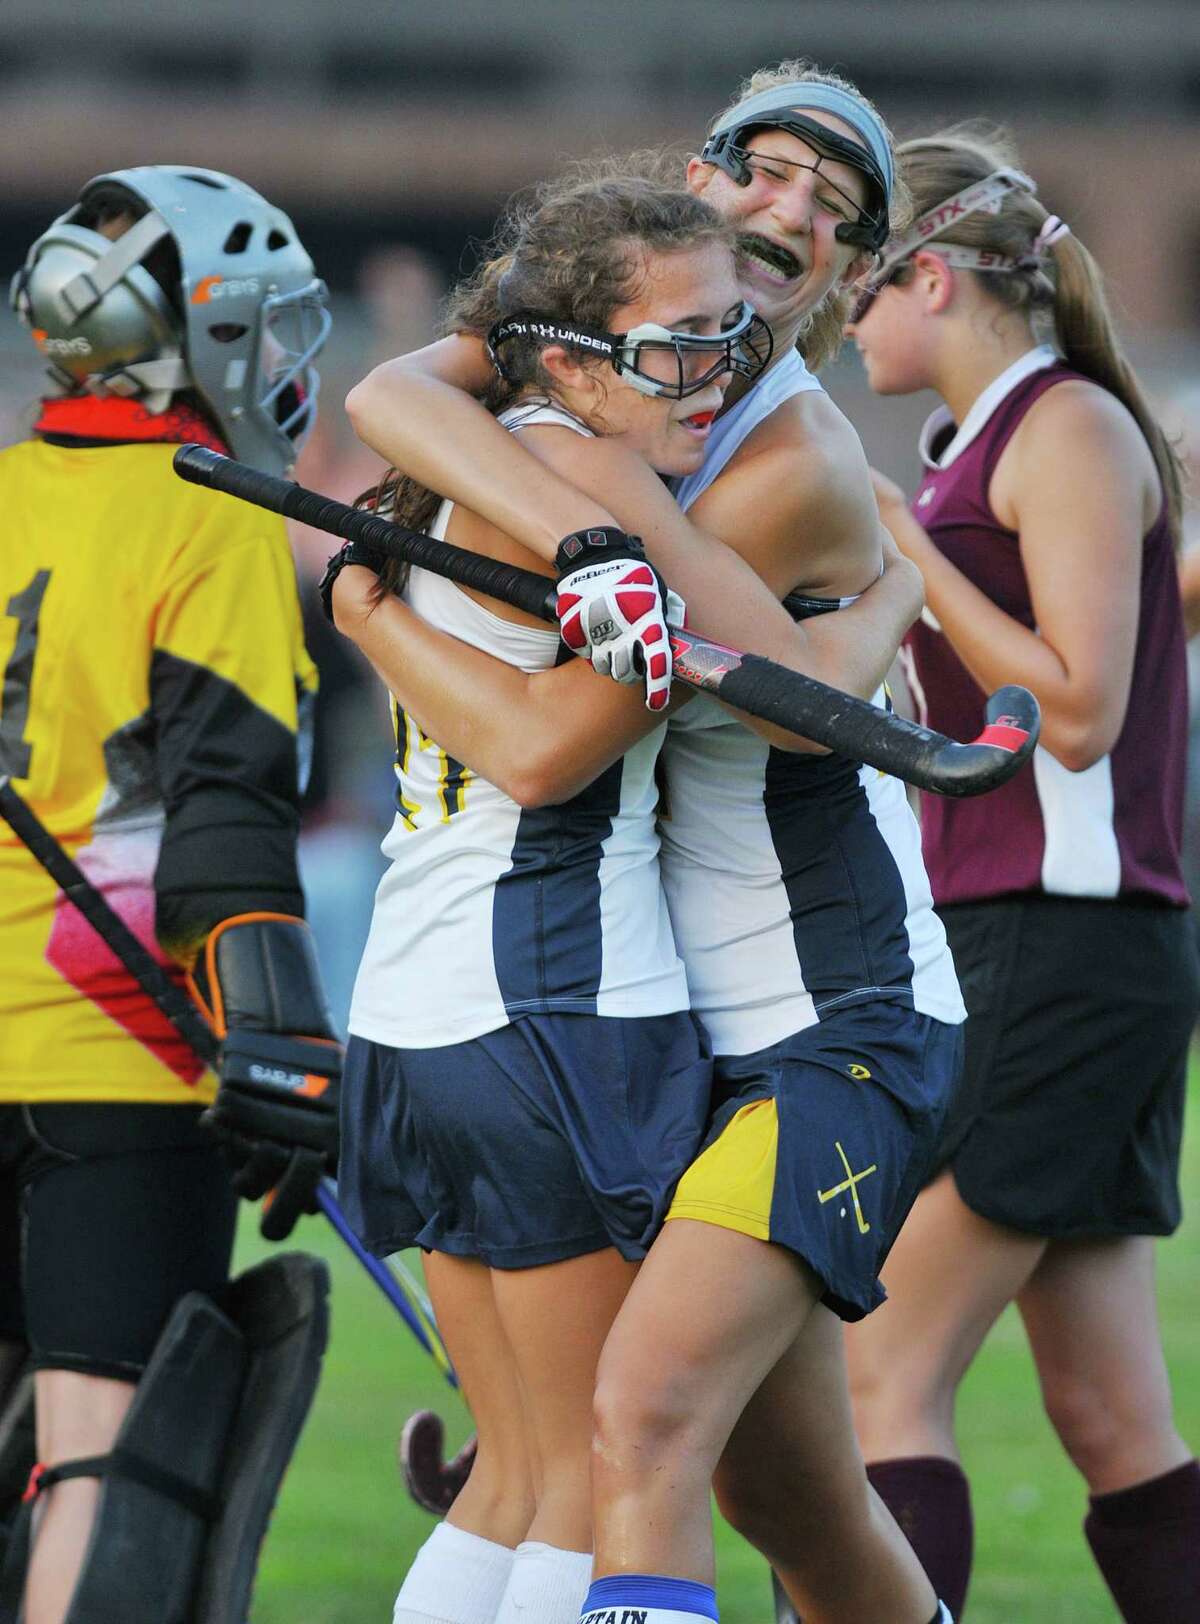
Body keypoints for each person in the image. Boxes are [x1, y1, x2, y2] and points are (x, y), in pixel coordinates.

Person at [342, 63, 965, 1624]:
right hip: (668, 1014)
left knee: (637, 1426)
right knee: (797, 1503)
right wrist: (575, 526)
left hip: (829, 1021)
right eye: (766, 169)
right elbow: (388, 396)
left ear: (855, 277)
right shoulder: (609, 367)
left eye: (836, 211)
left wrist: (889, 584)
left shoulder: (768, 450)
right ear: (697, 180)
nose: (787, 210)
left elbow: (797, 707)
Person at [842, 126, 1200, 1623]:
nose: (844, 319)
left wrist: (906, 560)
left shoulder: (1063, 429)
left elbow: (1077, 712)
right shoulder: (983, 442)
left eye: (860, 285)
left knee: (877, 1378)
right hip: (1064, 949)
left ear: (932, 277)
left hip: (1058, 948)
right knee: (1113, 1420)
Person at [0, 165, 340, 1624]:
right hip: (116, 1054)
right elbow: (225, 814)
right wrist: (285, 1034)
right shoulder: (214, 514)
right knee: (101, 1460)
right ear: (199, 336)